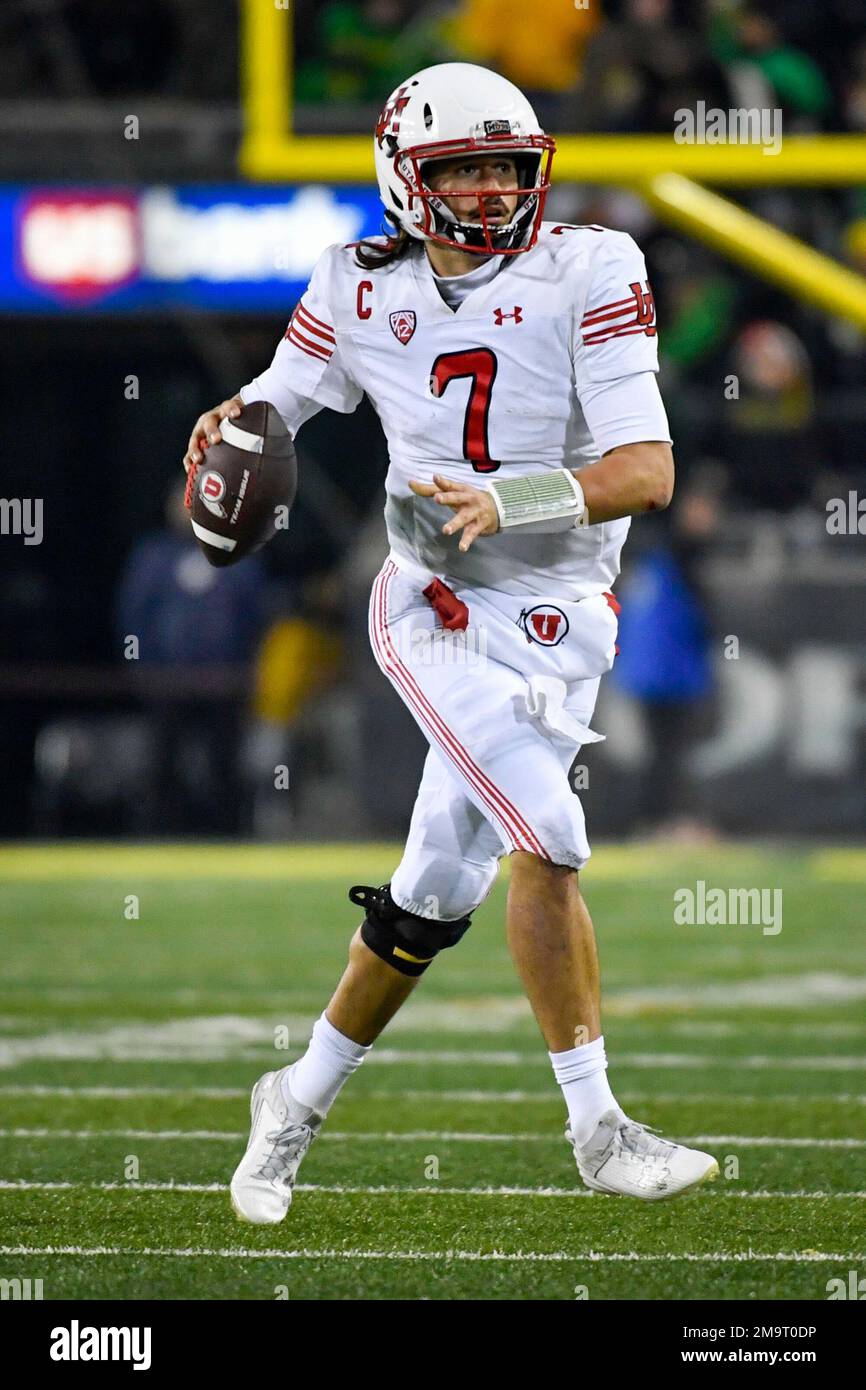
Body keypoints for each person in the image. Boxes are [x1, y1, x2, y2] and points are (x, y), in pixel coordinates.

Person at [183, 62, 718, 1223]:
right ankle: (596, 1126)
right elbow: (278, 404)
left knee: (432, 889)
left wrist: (506, 500)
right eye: (459, 168)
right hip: (428, 607)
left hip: (562, 621)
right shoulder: (358, 283)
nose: (486, 190)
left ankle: (295, 1095)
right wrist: (231, 421)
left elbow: (647, 472)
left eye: (502, 167)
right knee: (550, 833)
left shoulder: (589, 268)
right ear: (402, 177)